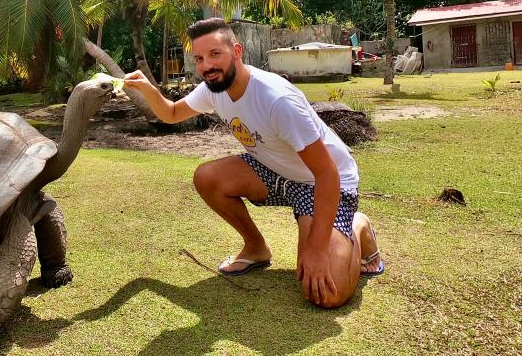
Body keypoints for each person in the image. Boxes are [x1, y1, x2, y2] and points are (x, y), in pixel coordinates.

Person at [123, 18, 384, 308]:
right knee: (208, 177)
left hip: (319, 183)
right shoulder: (213, 89)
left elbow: (327, 174)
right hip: (274, 171)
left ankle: (359, 228)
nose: (206, 65)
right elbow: (171, 113)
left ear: (237, 51)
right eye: (199, 58)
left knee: (325, 294)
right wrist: (147, 89)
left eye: (214, 54)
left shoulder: (276, 100)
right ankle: (256, 248)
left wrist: (319, 249)